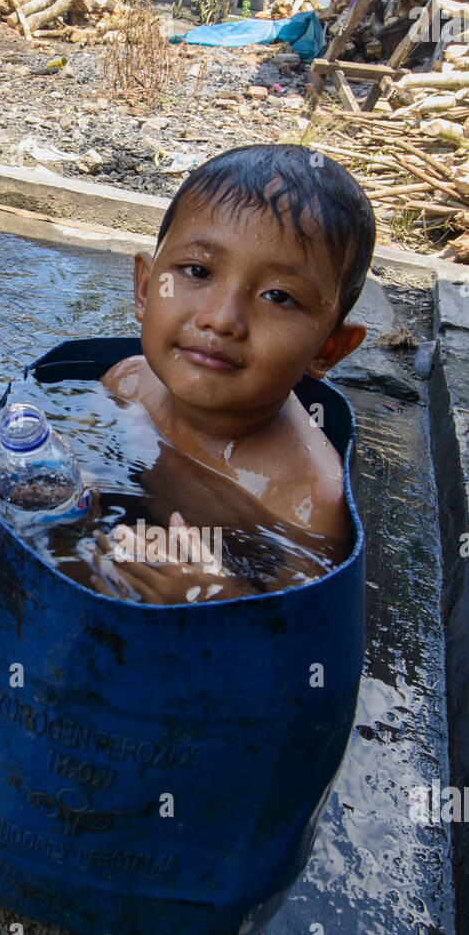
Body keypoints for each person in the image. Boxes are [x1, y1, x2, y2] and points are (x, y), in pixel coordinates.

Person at [90, 144, 375, 603]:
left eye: (279, 297)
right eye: (198, 270)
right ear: (145, 288)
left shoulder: (307, 500)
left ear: (328, 349)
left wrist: (215, 592)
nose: (222, 319)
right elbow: (92, 471)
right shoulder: (125, 384)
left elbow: (299, 628)